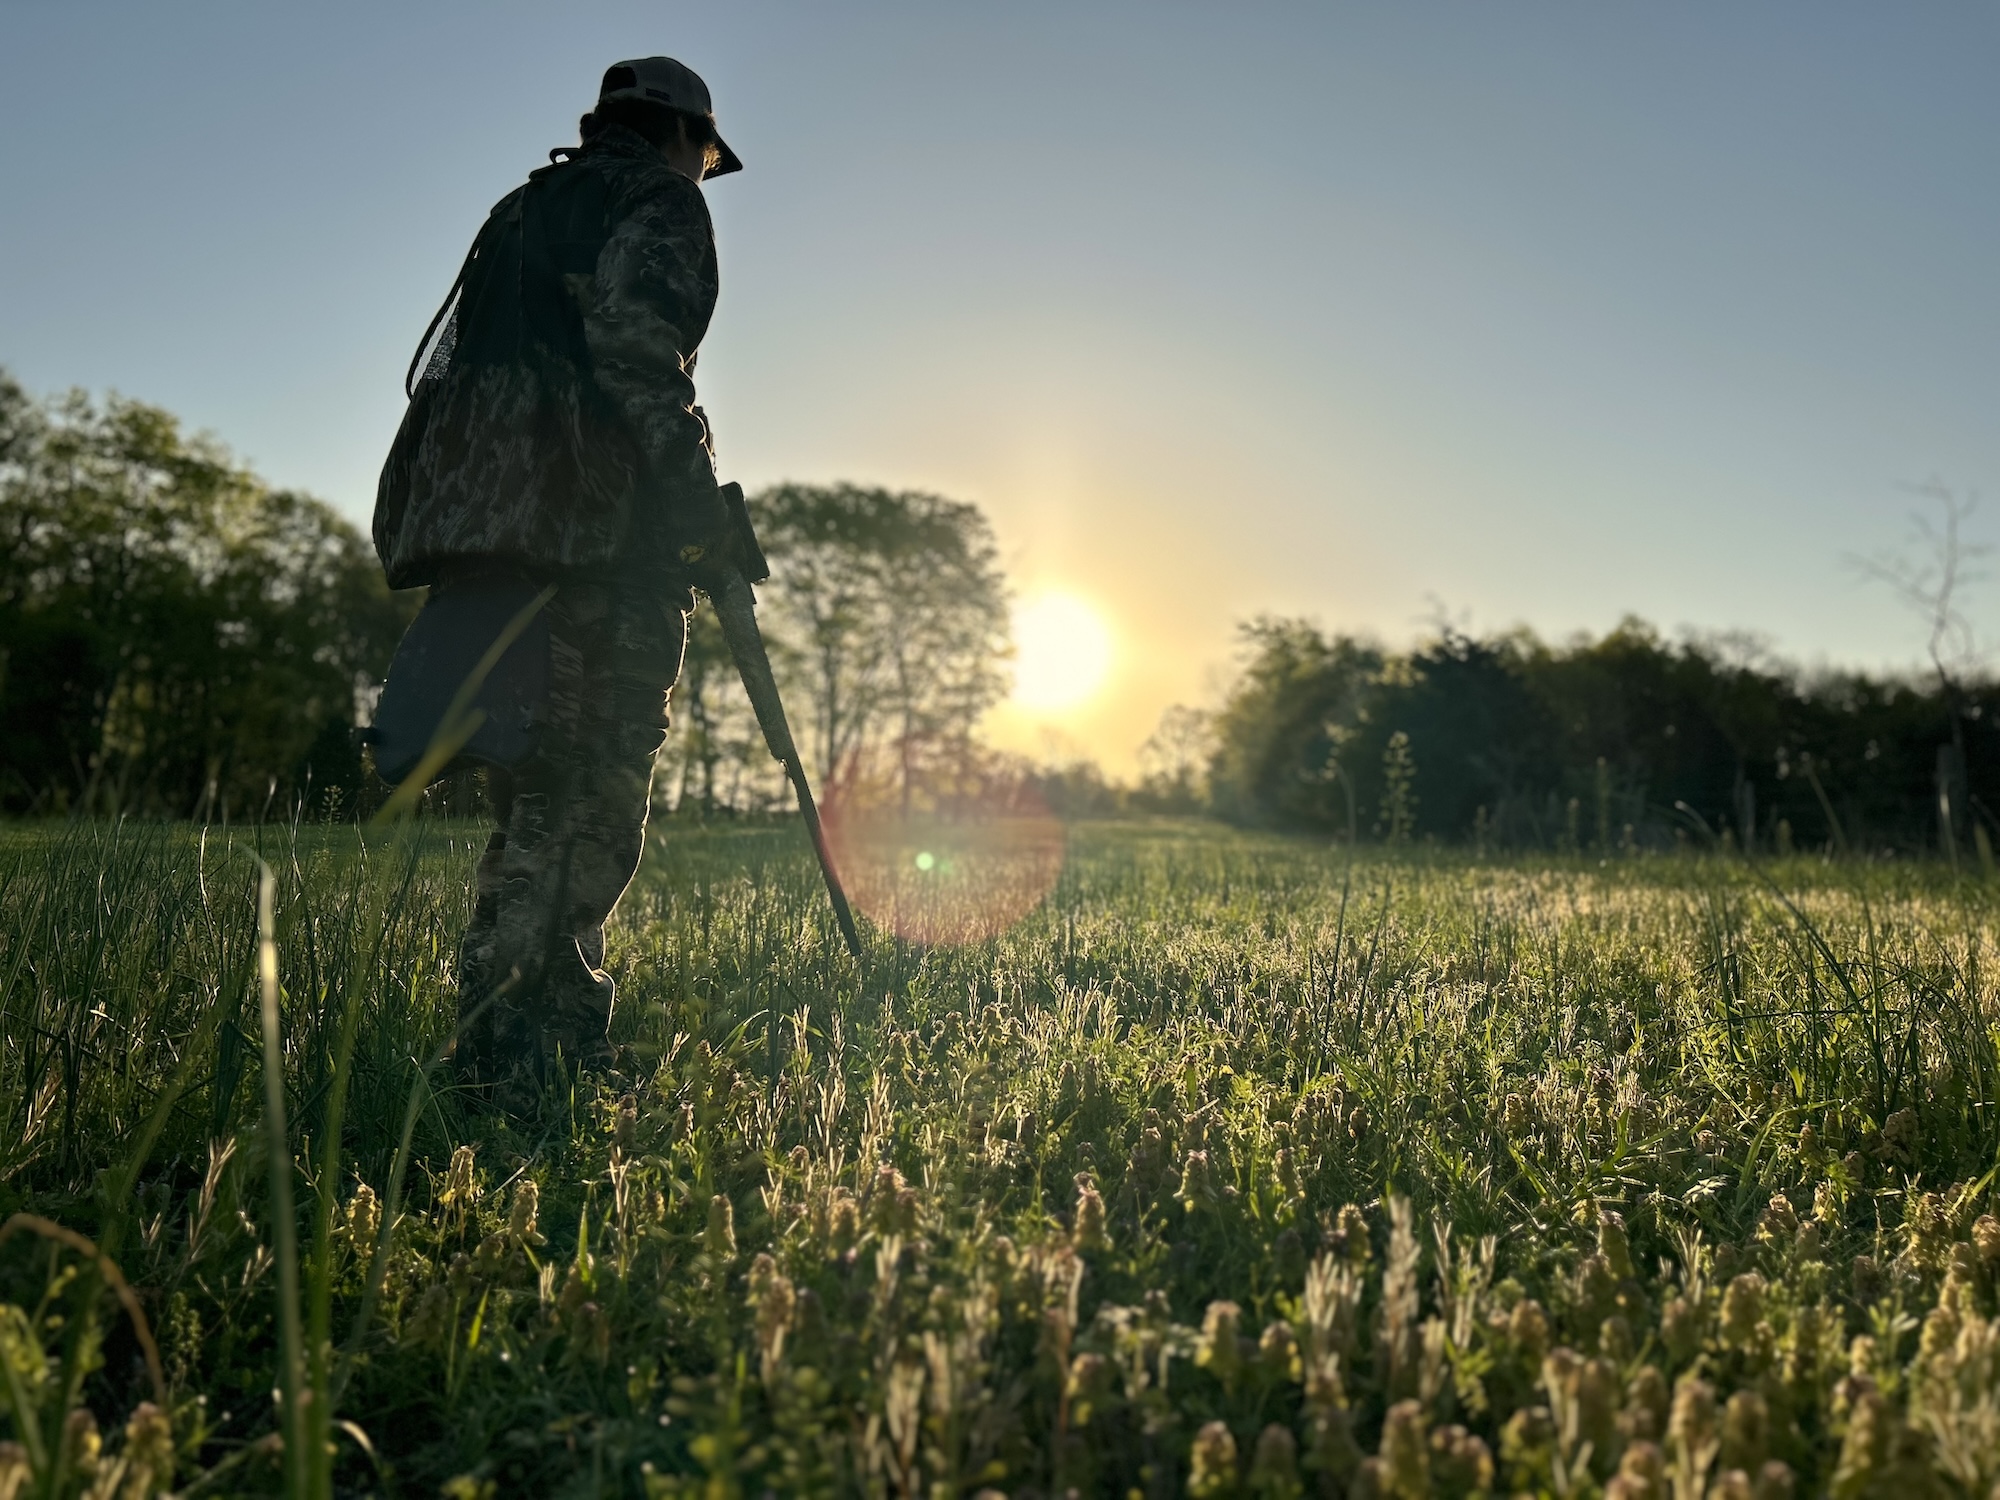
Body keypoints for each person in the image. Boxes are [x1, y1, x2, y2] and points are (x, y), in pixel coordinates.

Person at [371, 57, 741, 1093]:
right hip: (598, 543)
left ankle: (490, 1045)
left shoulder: (524, 209)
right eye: (705, 157)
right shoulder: (657, 199)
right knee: (589, 793)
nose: (701, 175)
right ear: (679, 137)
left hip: (493, 539)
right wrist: (695, 512)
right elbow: (632, 351)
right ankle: (551, 1058)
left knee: (534, 795)